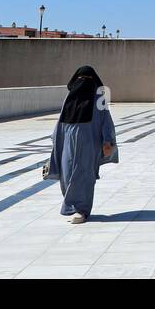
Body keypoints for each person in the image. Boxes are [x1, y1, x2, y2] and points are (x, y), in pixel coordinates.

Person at [45, 65, 117, 223]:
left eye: (88, 79)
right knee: (67, 174)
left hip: (88, 143)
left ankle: (82, 210)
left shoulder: (99, 98)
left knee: (83, 175)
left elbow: (105, 119)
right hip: (66, 143)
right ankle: (72, 207)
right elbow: (60, 121)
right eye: (81, 79)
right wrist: (55, 141)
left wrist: (107, 140)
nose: (84, 82)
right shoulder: (69, 97)